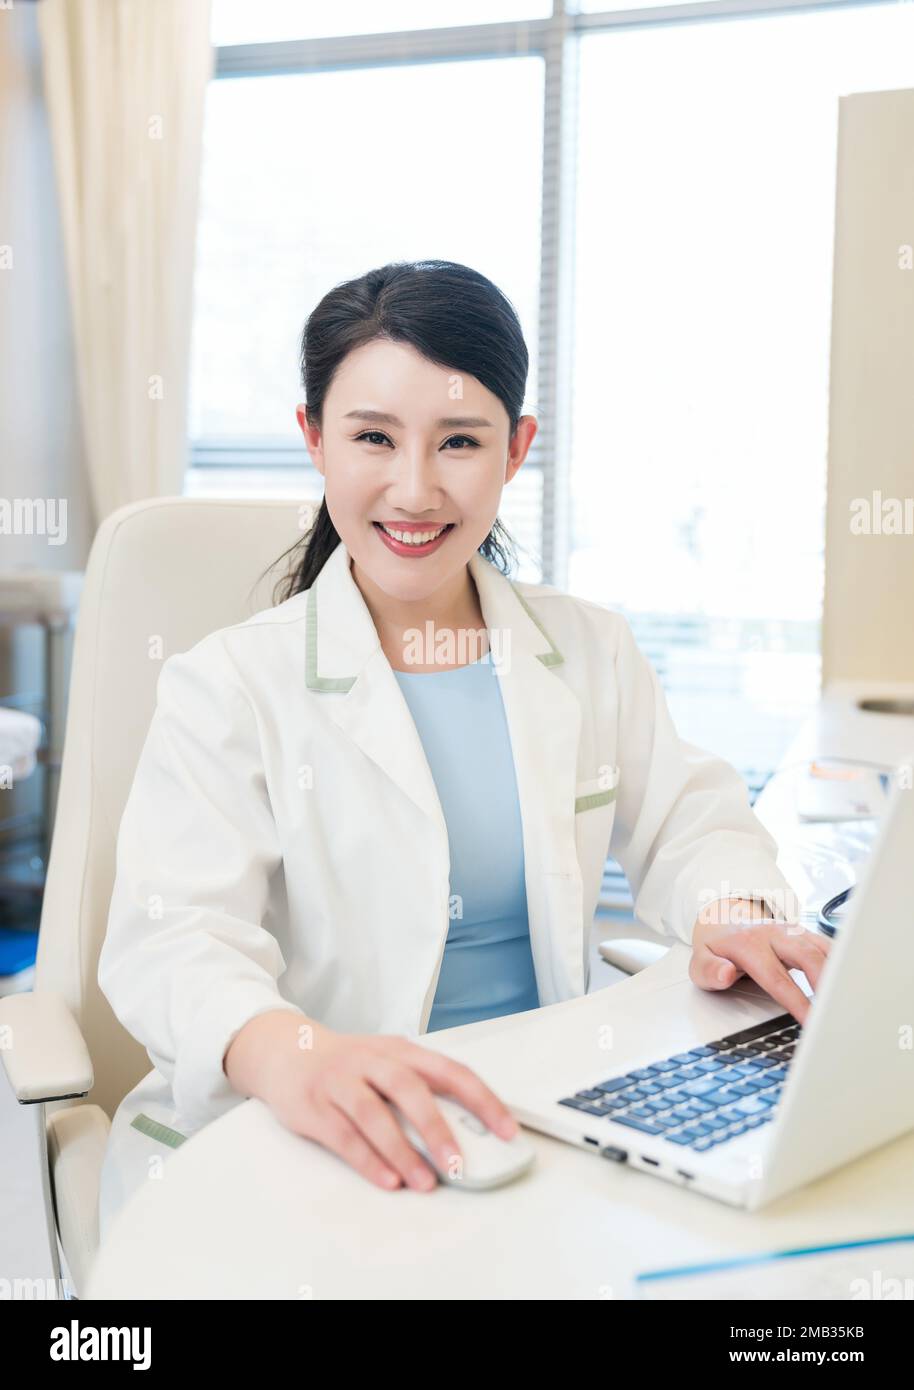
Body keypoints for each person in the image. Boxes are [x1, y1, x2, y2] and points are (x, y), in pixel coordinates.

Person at [96, 259, 830, 1242]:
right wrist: (291, 1052)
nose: (413, 488)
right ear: (313, 438)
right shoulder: (226, 685)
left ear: (515, 447)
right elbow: (174, 936)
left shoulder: (586, 648)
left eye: (457, 442)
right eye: (371, 437)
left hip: (533, 1125)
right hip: (312, 1125)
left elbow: (691, 824)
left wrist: (733, 912)